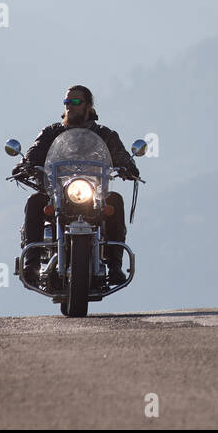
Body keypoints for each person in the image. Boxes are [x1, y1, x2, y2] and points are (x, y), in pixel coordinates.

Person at [13, 85, 140, 286]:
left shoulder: (105, 134)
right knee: (35, 201)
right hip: (58, 193)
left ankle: (115, 266)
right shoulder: (51, 133)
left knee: (115, 201)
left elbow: (120, 155)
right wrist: (25, 164)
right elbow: (35, 151)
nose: (69, 107)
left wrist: (128, 166)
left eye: (75, 102)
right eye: (67, 102)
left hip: (93, 193)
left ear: (88, 106)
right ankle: (31, 264)